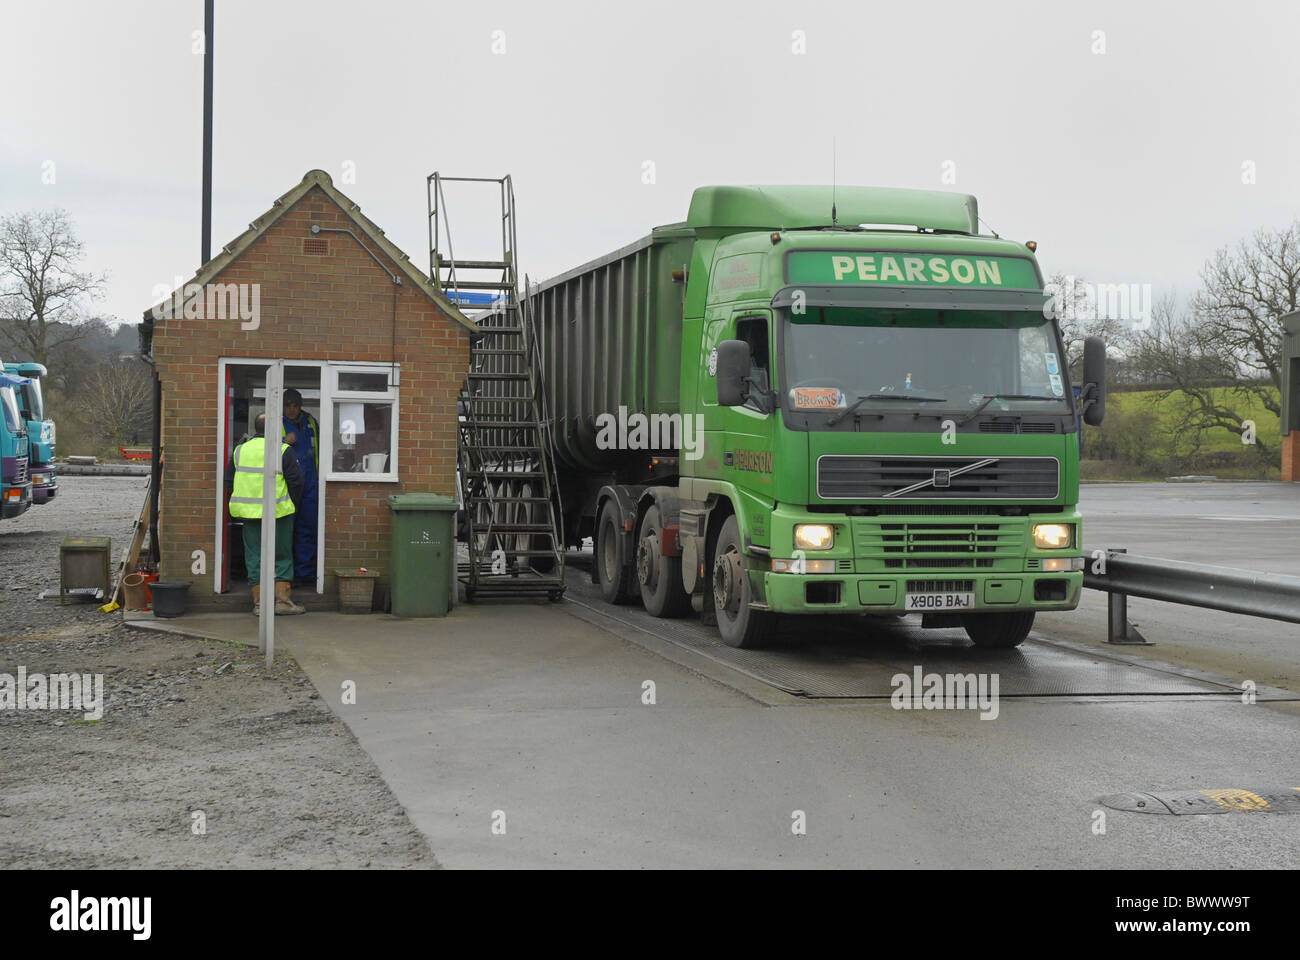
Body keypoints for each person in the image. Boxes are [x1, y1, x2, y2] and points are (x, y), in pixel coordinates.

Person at [225, 413, 306, 616]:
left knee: (254, 556)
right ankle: (283, 601)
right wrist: (290, 505)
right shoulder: (283, 450)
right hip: (279, 513)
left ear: (256, 428)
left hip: (250, 514)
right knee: (282, 555)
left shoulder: (240, 451)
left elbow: (229, 481)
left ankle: (260, 603)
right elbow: (297, 482)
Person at [281, 389, 319, 584]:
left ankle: (304, 574)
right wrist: (283, 441)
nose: (292, 409)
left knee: (308, 527)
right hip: (287, 483)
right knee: (286, 529)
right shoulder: (276, 423)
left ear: (300, 405)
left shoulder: (310, 422)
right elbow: (264, 447)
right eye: (288, 405)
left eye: (295, 405)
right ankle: (285, 576)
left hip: (311, 482)